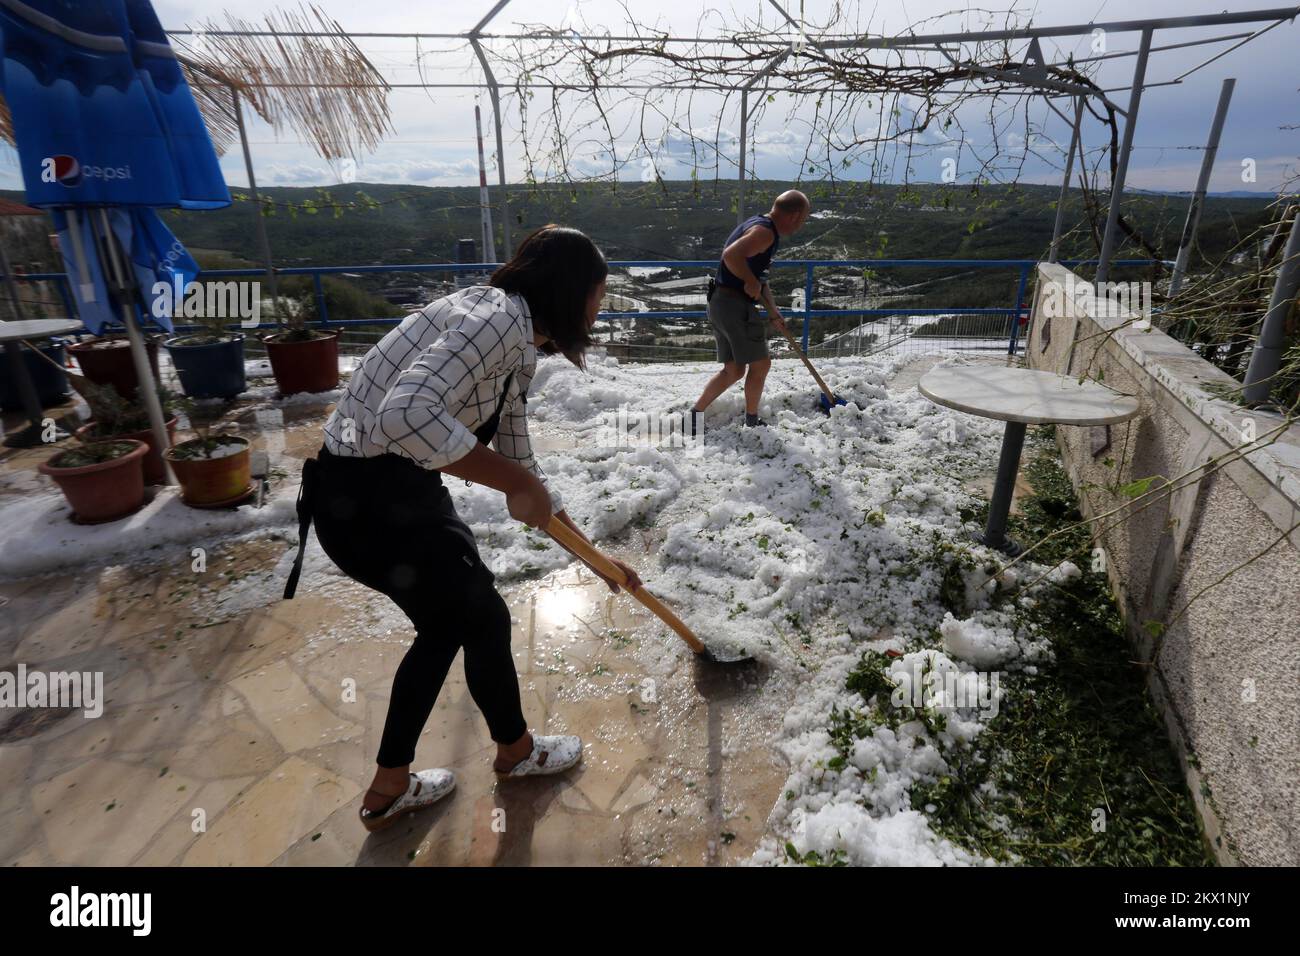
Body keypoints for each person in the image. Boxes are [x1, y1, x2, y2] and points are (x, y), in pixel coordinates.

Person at [282, 225, 642, 832]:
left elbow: (522, 465)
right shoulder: (499, 324)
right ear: (569, 290)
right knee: (467, 617)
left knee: (463, 618)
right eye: (597, 296)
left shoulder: (504, 326)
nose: (598, 310)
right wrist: (513, 484)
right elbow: (406, 415)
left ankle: (410, 779)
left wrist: (595, 558)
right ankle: (499, 756)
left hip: (383, 497)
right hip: (371, 504)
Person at [690, 190, 811, 430]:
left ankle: (695, 414)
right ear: (794, 216)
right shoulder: (765, 232)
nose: (801, 225)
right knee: (761, 364)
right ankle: (752, 422)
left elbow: (760, 279)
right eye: (803, 219)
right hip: (735, 305)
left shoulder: (760, 225)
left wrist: (773, 311)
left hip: (721, 303)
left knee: (734, 369)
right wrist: (749, 279)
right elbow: (731, 255)